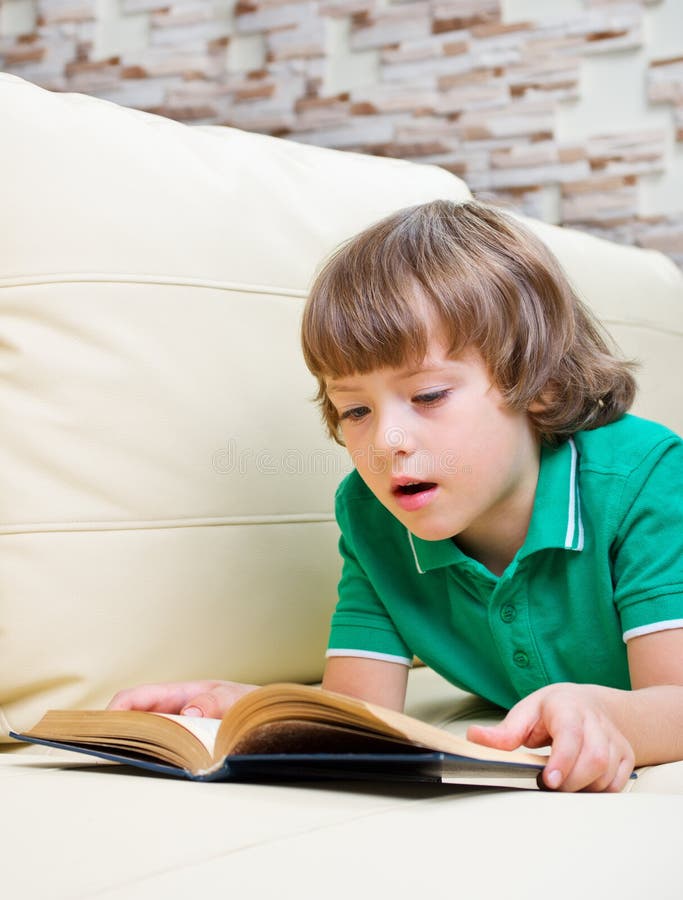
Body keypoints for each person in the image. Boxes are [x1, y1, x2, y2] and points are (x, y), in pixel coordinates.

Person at [108, 200, 683, 792]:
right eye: (354, 409)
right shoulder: (371, 515)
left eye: (429, 396)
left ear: (543, 383)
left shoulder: (647, 479)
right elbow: (360, 712)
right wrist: (244, 707)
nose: (387, 442)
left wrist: (605, 715)